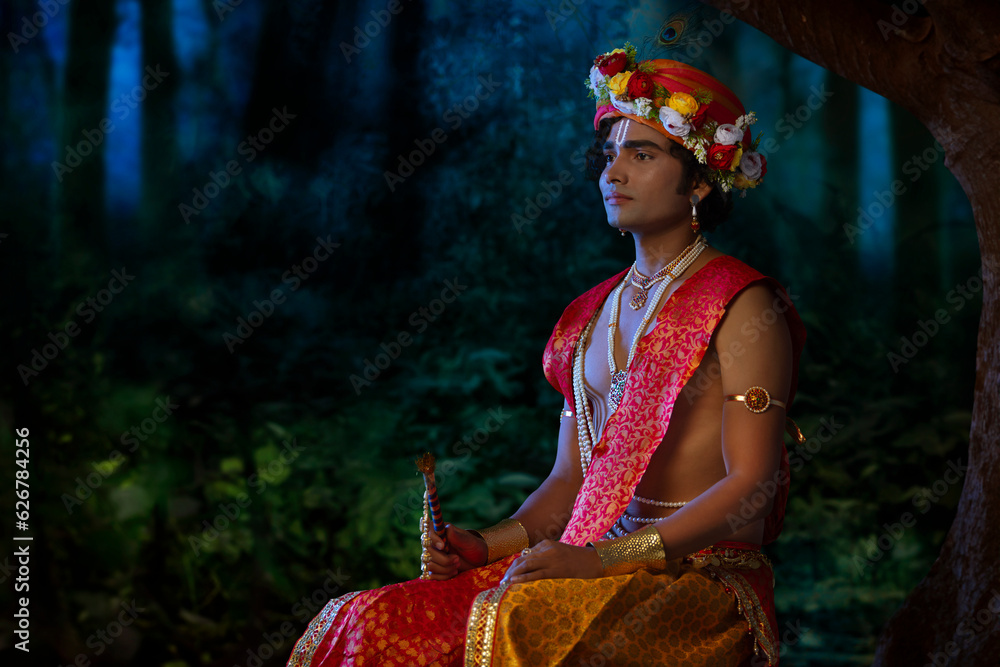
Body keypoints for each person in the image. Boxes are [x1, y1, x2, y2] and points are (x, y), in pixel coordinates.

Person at [287, 44, 806, 667]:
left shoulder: (744, 304)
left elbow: (752, 486)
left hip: (699, 576)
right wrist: (484, 544)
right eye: (608, 156)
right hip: (587, 556)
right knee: (369, 618)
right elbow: (569, 485)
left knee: (524, 625)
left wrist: (597, 561)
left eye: (641, 154)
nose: (612, 173)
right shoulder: (587, 317)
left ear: (698, 178)